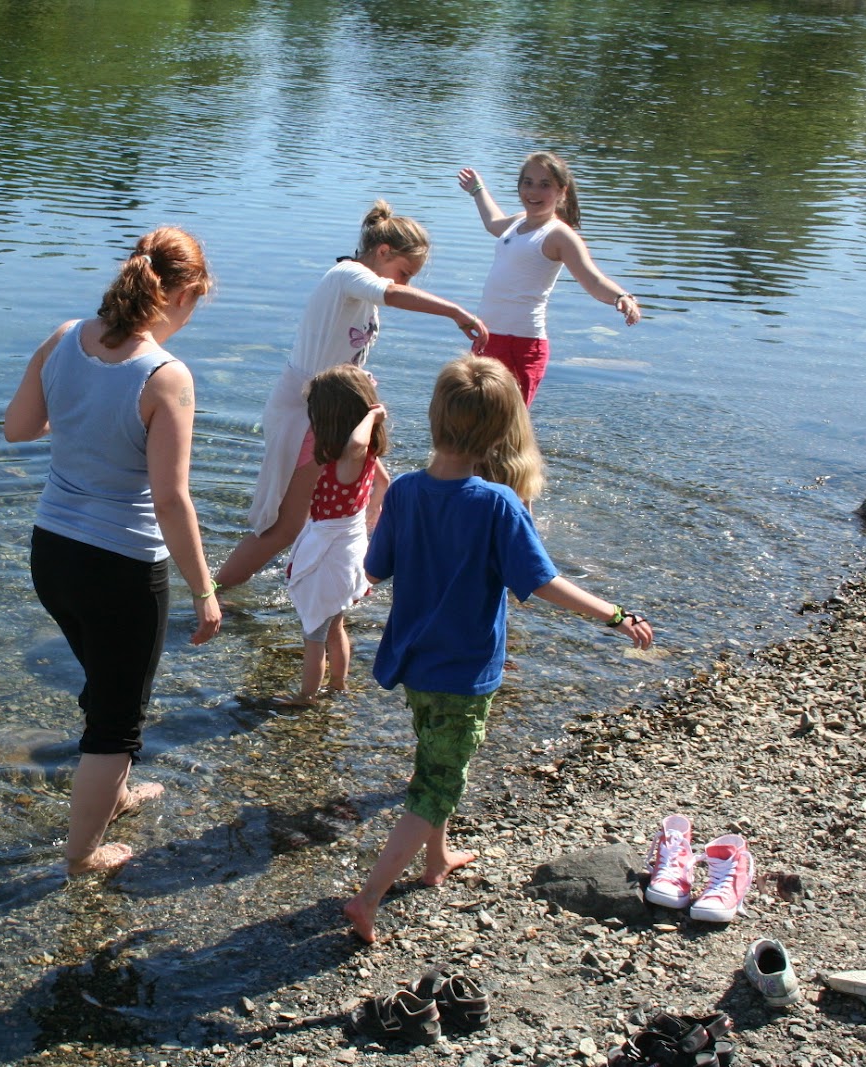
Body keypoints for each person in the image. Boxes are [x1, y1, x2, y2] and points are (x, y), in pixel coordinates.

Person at [342, 356, 655, 942]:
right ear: (502, 431)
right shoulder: (497, 504)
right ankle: (368, 897)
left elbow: (374, 569)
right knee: (437, 785)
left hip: (413, 663)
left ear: (435, 417)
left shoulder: (407, 490)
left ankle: (436, 861)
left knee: (432, 759)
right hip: (462, 672)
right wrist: (615, 614)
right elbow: (540, 582)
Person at [3, 226, 222, 875]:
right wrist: (205, 590)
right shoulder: (166, 375)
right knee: (117, 722)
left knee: (106, 685)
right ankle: (82, 855)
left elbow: (18, 428)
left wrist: (80, 416)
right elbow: (171, 500)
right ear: (180, 294)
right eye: (194, 305)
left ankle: (114, 793)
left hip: (52, 555)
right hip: (122, 567)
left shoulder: (65, 336)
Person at [215, 201, 489, 589]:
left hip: (334, 410)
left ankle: (327, 583)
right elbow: (391, 293)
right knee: (285, 526)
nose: (405, 284)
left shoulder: (360, 293)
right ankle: (212, 595)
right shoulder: (347, 274)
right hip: (305, 412)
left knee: (368, 493)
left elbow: (350, 361)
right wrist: (456, 312)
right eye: (405, 273)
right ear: (382, 252)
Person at [457, 152, 642, 407]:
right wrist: (477, 189)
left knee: (506, 429)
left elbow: (593, 280)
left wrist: (621, 296)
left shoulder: (558, 235)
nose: (533, 191)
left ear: (561, 191)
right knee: (473, 422)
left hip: (520, 344)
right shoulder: (518, 223)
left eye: (545, 185)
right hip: (488, 337)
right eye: (528, 182)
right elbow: (493, 223)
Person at [281, 365, 390, 704]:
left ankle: (306, 695)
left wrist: (373, 417)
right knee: (334, 625)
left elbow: (356, 444)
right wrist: (371, 516)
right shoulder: (368, 457)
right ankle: (339, 684)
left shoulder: (350, 458)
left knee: (314, 632)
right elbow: (384, 485)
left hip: (331, 554)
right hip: (349, 544)